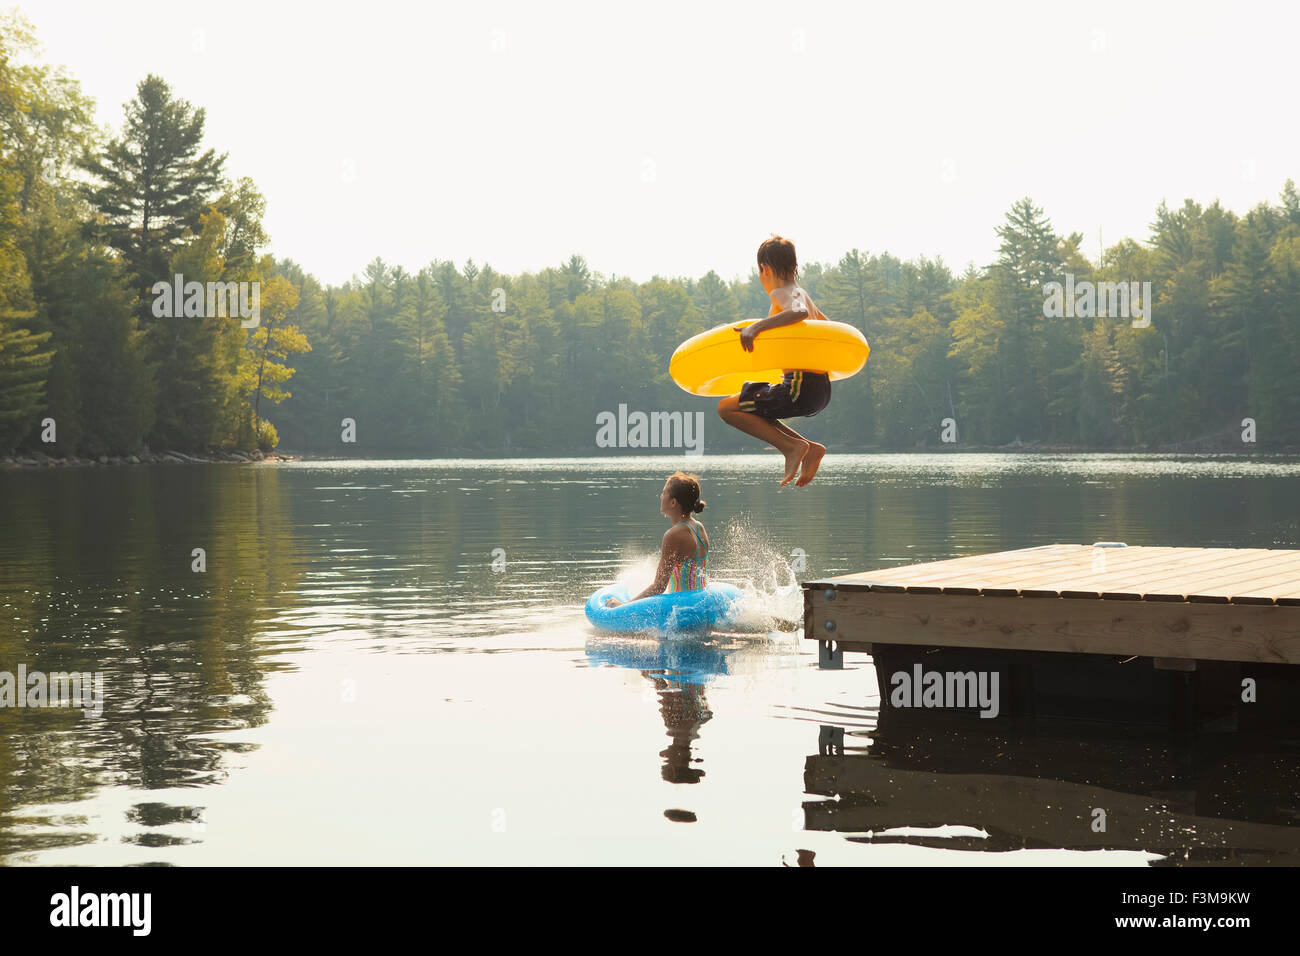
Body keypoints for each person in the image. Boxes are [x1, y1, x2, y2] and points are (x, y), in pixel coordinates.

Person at [717, 234, 831, 487]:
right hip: (819, 390)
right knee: (755, 411)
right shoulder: (802, 295)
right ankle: (808, 448)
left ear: (764, 269)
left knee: (726, 408)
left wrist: (757, 327)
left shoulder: (782, 293)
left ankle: (792, 448)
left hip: (798, 388)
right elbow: (826, 330)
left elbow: (798, 313)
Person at [604, 472, 709, 607]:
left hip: (684, 609)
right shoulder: (699, 528)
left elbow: (659, 586)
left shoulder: (673, 535)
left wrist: (624, 605)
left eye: (664, 493)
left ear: (673, 502)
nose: (660, 496)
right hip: (702, 603)